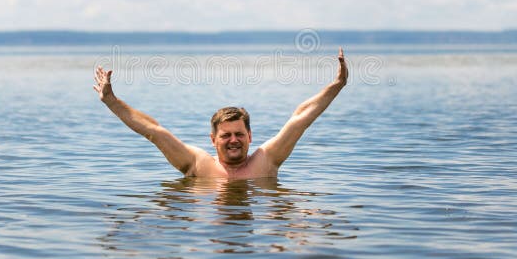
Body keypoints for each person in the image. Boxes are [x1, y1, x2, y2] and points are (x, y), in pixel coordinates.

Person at [93, 48, 348, 179]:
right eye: (226, 136)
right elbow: (153, 131)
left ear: (250, 135)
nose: (234, 140)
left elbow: (301, 119)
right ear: (213, 139)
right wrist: (111, 101)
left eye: (239, 134)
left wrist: (336, 86)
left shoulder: (266, 160)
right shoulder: (199, 164)